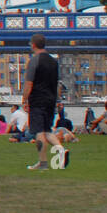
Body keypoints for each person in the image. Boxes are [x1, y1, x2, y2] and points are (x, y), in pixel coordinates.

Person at [23, 34, 66, 170]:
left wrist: (24, 99)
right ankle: (60, 149)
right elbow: (56, 83)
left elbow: (29, 83)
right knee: (47, 130)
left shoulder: (34, 61)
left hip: (37, 100)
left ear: (33, 45)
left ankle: (43, 163)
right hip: (50, 99)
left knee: (39, 132)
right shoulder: (54, 62)